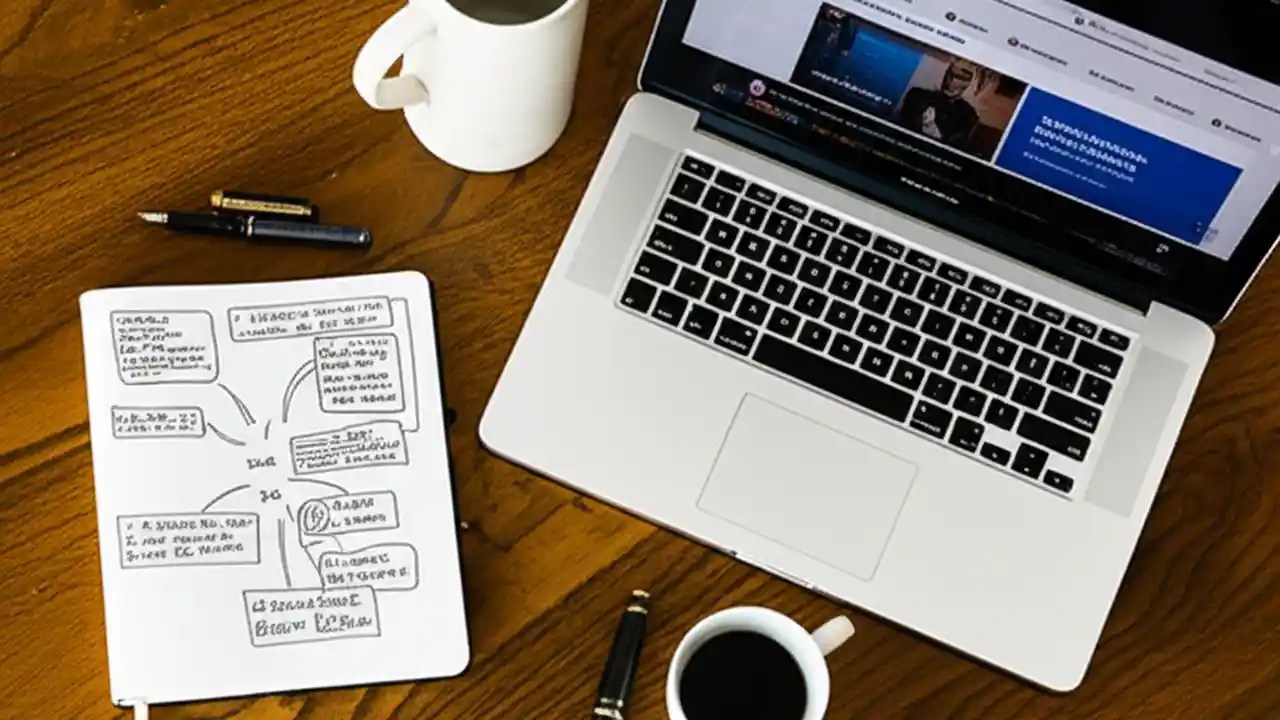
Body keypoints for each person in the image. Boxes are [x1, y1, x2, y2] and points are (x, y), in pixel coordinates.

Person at [897, 57, 982, 148]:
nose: (952, 81)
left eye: (962, 77)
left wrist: (931, 127)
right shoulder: (917, 96)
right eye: (950, 73)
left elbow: (953, 146)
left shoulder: (968, 116)